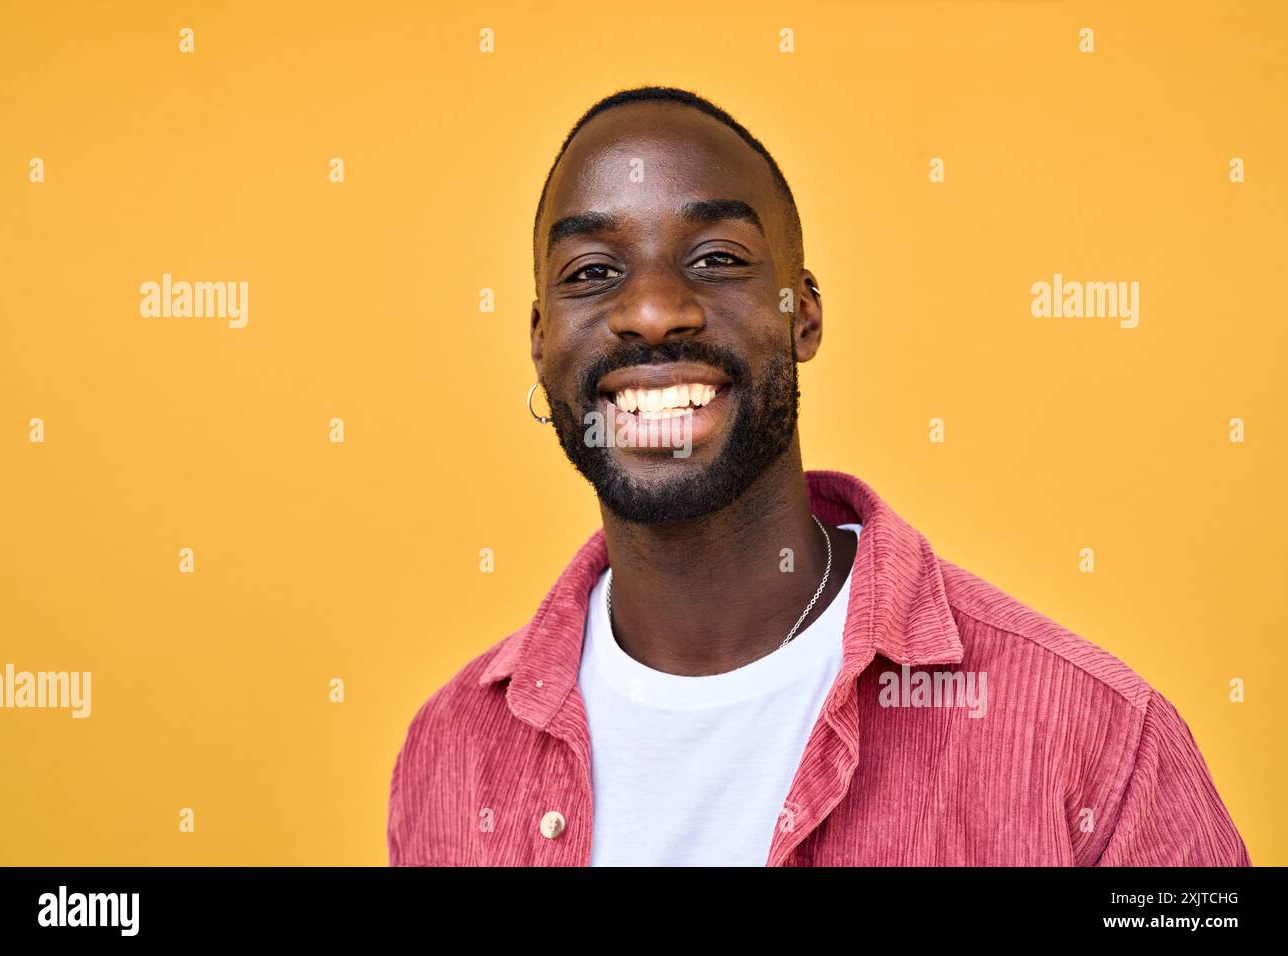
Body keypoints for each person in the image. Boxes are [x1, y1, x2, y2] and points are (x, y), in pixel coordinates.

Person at [387, 85, 1250, 866]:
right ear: (540, 338)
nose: (651, 311)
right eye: (593, 273)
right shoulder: (449, 753)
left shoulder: (1093, 736)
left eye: (718, 258)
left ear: (804, 313)